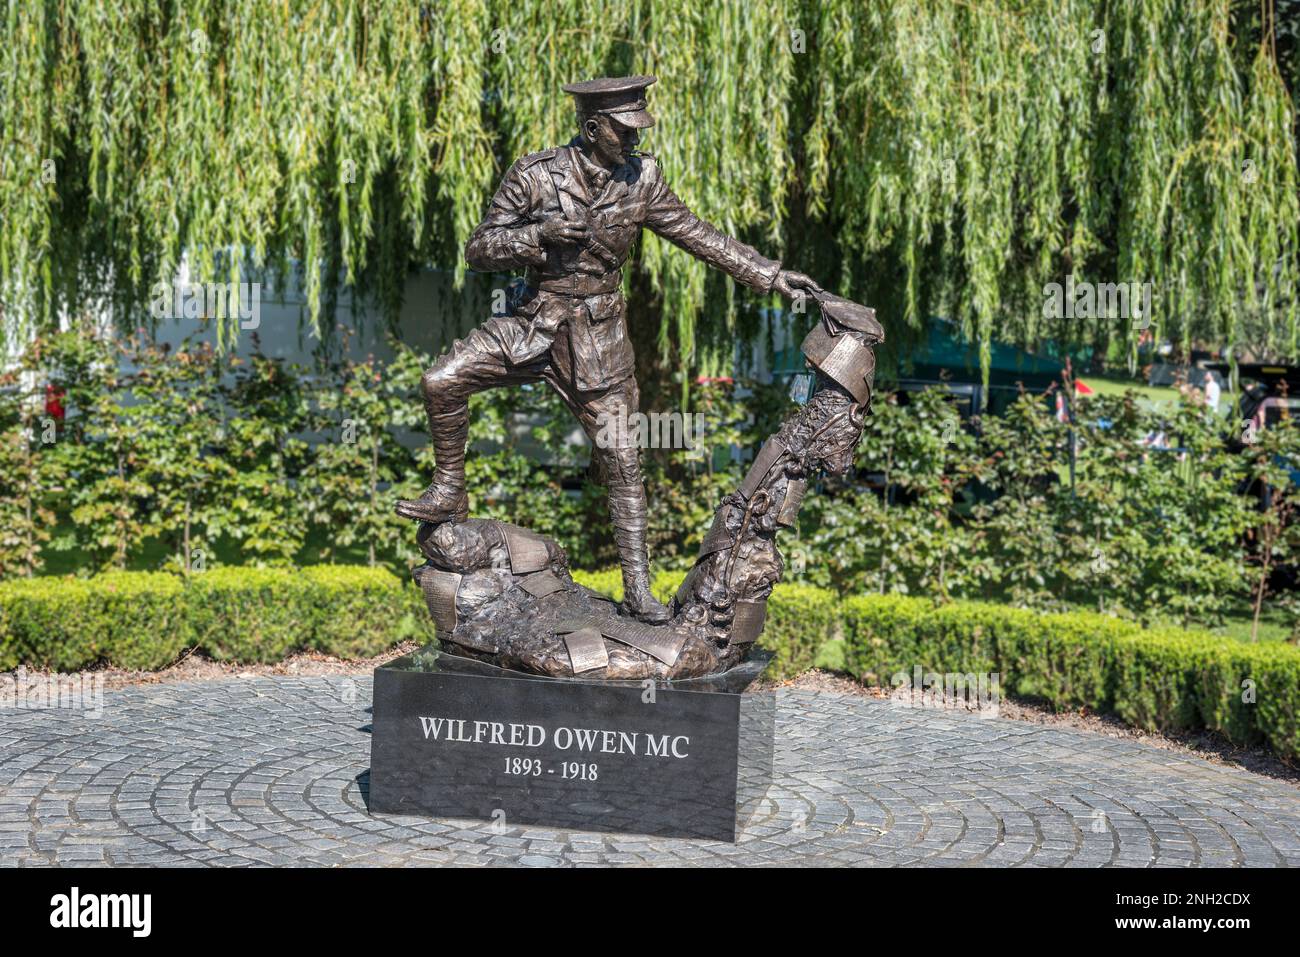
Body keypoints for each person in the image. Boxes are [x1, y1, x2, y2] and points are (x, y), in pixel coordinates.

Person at [396, 76, 817, 622]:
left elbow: (699, 235)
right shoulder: (536, 173)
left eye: (639, 129)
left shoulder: (643, 178)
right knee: (441, 380)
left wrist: (773, 276)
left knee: (622, 459)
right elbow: (480, 248)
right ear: (593, 128)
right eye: (624, 131)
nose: (634, 140)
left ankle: (638, 590)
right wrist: (538, 237)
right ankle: (450, 489)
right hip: (533, 323)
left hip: (598, 338)